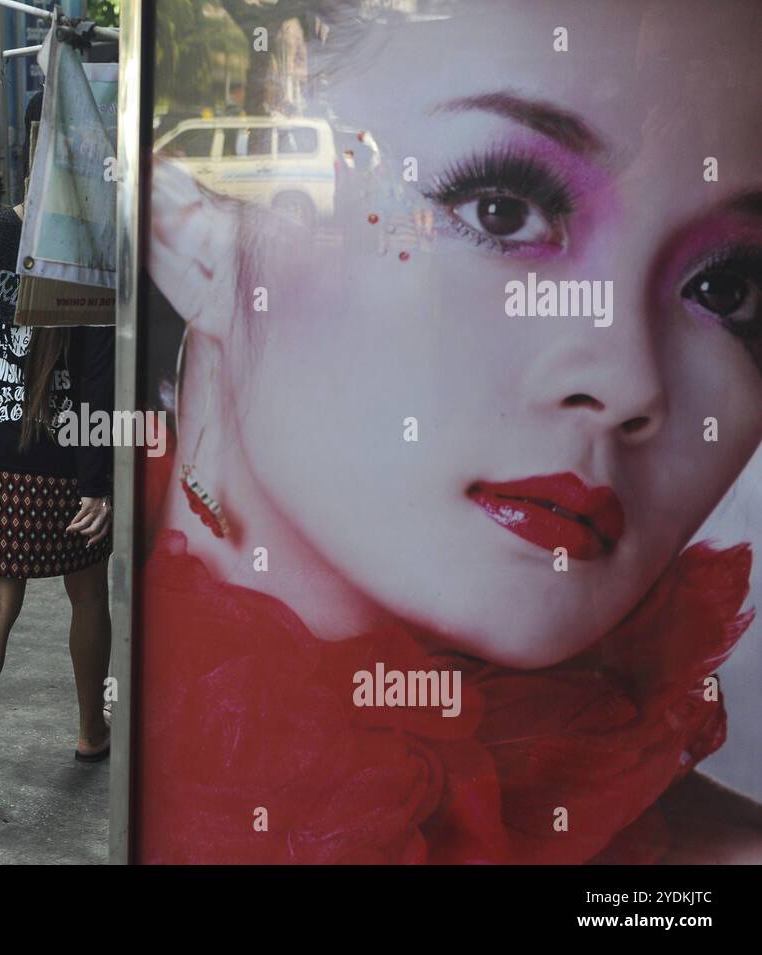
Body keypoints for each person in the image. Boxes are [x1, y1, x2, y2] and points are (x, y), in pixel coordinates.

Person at [137, 0, 762, 862]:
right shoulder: (89, 726)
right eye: (501, 210)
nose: (628, 382)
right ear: (186, 225)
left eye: (726, 290)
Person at [0, 90, 115, 832]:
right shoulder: (102, 239)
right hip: (69, 460)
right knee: (87, 598)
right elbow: (103, 369)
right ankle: (90, 729)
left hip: (1, 451)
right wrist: (99, 478)